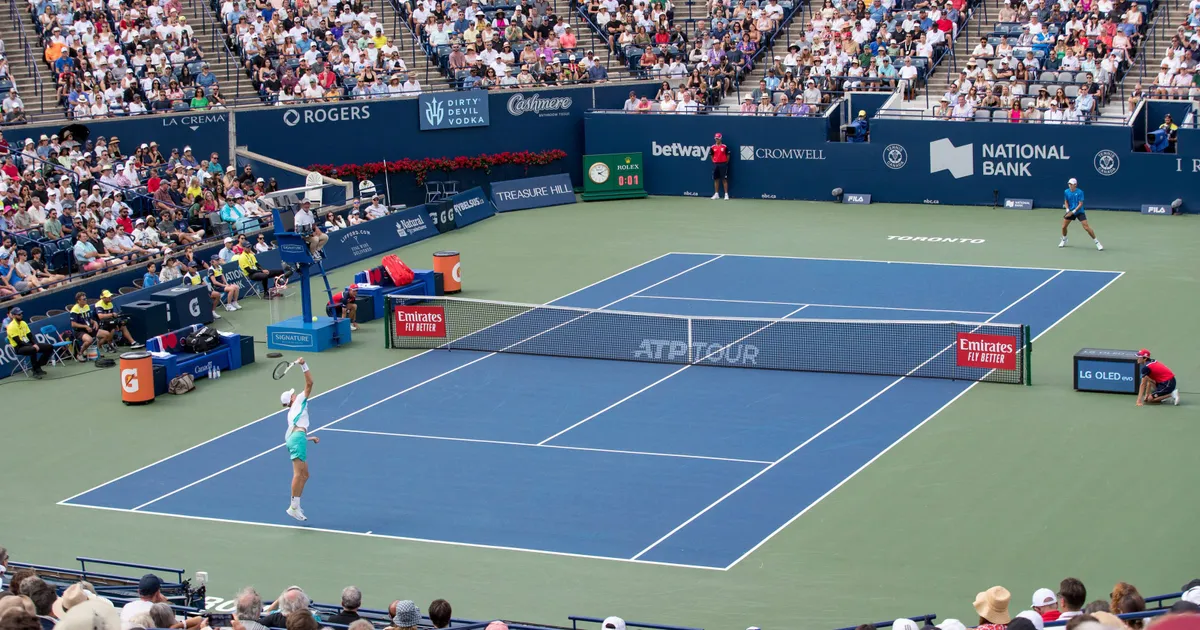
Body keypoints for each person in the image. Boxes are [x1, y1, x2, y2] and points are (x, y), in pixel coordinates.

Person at [281, 358, 319, 521]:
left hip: (297, 439)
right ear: (291, 400)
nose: (295, 394)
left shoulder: (291, 413)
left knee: (305, 475)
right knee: (298, 474)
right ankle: (293, 507)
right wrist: (304, 365)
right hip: (297, 440)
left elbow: (296, 433)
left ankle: (296, 504)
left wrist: (309, 438)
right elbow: (310, 383)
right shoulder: (299, 401)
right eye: (292, 394)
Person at [6, 307, 52, 378]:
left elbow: (30, 336)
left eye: (21, 313)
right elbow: (19, 342)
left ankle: (37, 367)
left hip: (28, 344)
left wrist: (35, 344)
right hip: (19, 348)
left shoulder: (24, 323)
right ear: (14, 316)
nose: (21, 315)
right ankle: (35, 372)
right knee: (32, 349)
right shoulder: (11, 327)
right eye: (19, 314)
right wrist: (33, 346)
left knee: (49, 347)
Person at [1060, 178, 1102, 250]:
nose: (1070, 185)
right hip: (1070, 211)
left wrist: (1073, 212)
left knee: (1086, 227)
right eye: (1069, 184)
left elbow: (1080, 204)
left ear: (1075, 185)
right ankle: (1064, 239)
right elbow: (1066, 201)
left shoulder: (1080, 192)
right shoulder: (1066, 191)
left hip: (1079, 211)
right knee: (1063, 227)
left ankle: (1097, 242)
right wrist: (1067, 209)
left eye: (1071, 184)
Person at [710, 132, 730, 200]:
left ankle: (726, 194)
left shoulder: (724, 147)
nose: (717, 140)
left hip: (723, 164)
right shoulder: (712, 147)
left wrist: (725, 162)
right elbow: (711, 156)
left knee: (724, 179)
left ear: (720, 139)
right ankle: (716, 194)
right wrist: (714, 161)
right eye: (716, 138)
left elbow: (728, 155)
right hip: (716, 165)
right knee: (716, 179)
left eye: (718, 138)